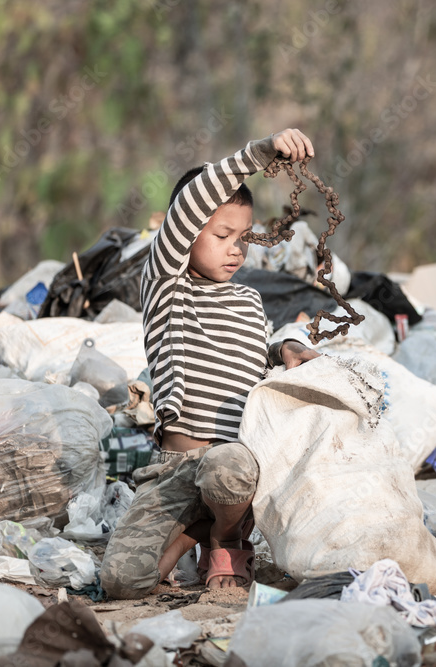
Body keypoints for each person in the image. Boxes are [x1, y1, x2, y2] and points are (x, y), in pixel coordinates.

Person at [100, 129, 320, 598]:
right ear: (185, 233)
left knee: (230, 467)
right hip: (174, 469)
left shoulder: (249, 300)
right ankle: (197, 527)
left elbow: (249, 360)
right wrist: (260, 153)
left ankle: (224, 534)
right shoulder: (166, 285)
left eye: (243, 237)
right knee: (122, 583)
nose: (237, 249)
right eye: (222, 235)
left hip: (233, 466)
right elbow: (192, 204)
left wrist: (283, 349)